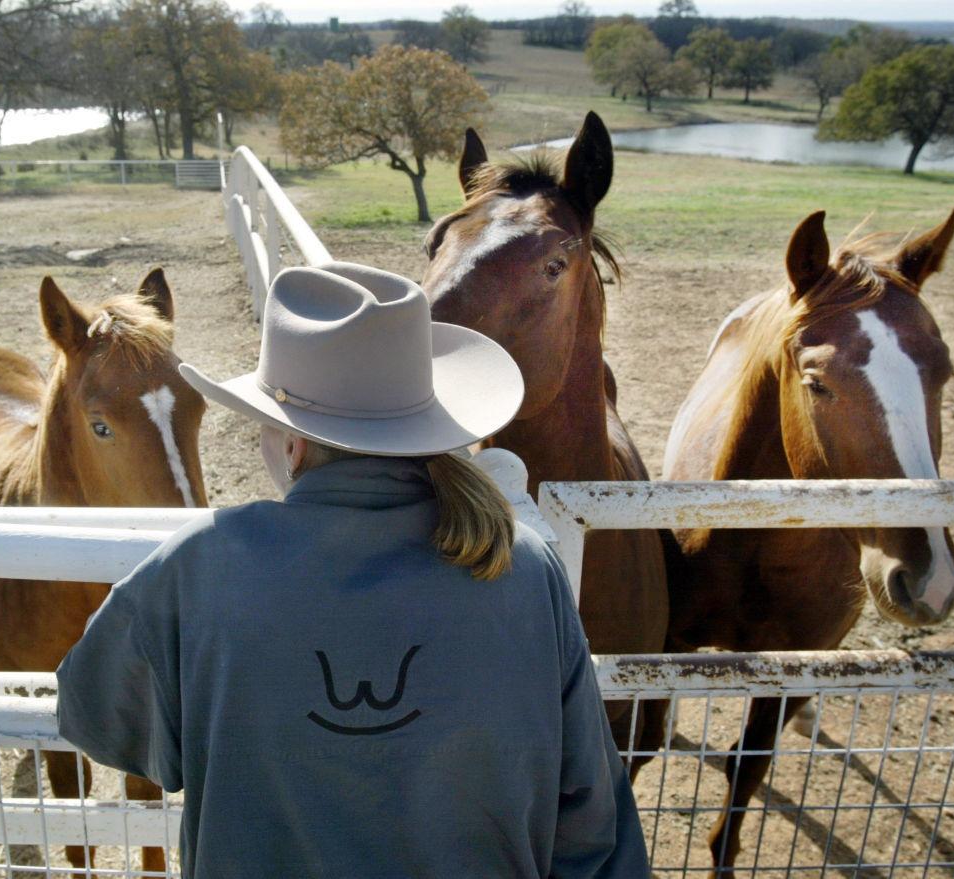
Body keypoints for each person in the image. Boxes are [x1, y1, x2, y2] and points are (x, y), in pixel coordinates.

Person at [55, 262, 649, 878]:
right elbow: (591, 824)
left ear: (292, 444)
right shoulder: (521, 567)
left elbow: (95, 716)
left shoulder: (199, 566)